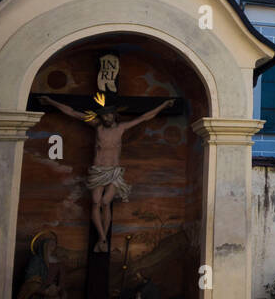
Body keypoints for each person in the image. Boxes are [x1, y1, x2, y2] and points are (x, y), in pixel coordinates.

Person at [39, 94, 174, 252]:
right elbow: (72, 112)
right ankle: (102, 238)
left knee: (105, 202)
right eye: (104, 115)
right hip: (98, 171)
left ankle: (103, 239)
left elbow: (145, 116)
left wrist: (163, 105)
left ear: (114, 115)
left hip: (114, 172)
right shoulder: (97, 126)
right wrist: (50, 101)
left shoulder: (121, 128)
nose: (107, 117)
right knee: (96, 202)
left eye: (109, 114)